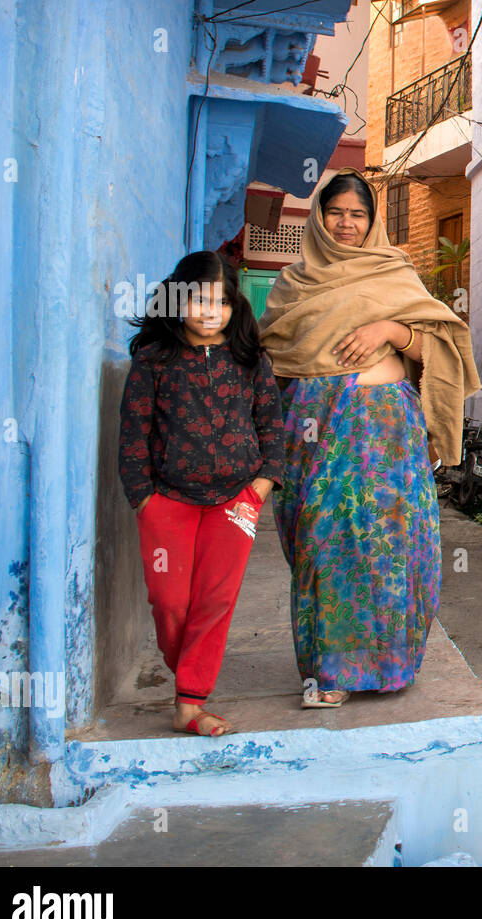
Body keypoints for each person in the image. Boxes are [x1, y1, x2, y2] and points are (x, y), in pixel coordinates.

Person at [259, 168, 480, 708]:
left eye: (358, 214)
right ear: (318, 216)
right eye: (336, 212)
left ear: (372, 221)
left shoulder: (395, 274)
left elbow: (442, 350)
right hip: (314, 433)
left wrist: (390, 330)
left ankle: (389, 666)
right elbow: (272, 364)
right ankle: (329, 672)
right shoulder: (294, 284)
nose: (347, 223)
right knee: (325, 543)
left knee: (392, 545)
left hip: (386, 437)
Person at [118, 251, 286, 736]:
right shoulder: (153, 360)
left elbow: (271, 424)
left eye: (221, 303)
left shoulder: (250, 360)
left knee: (215, 600)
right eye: (198, 300)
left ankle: (190, 702)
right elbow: (134, 432)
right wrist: (143, 498)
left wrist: (261, 485)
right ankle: (188, 675)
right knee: (169, 601)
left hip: (235, 502)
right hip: (167, 500)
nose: (210, 312)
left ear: (235, 308)